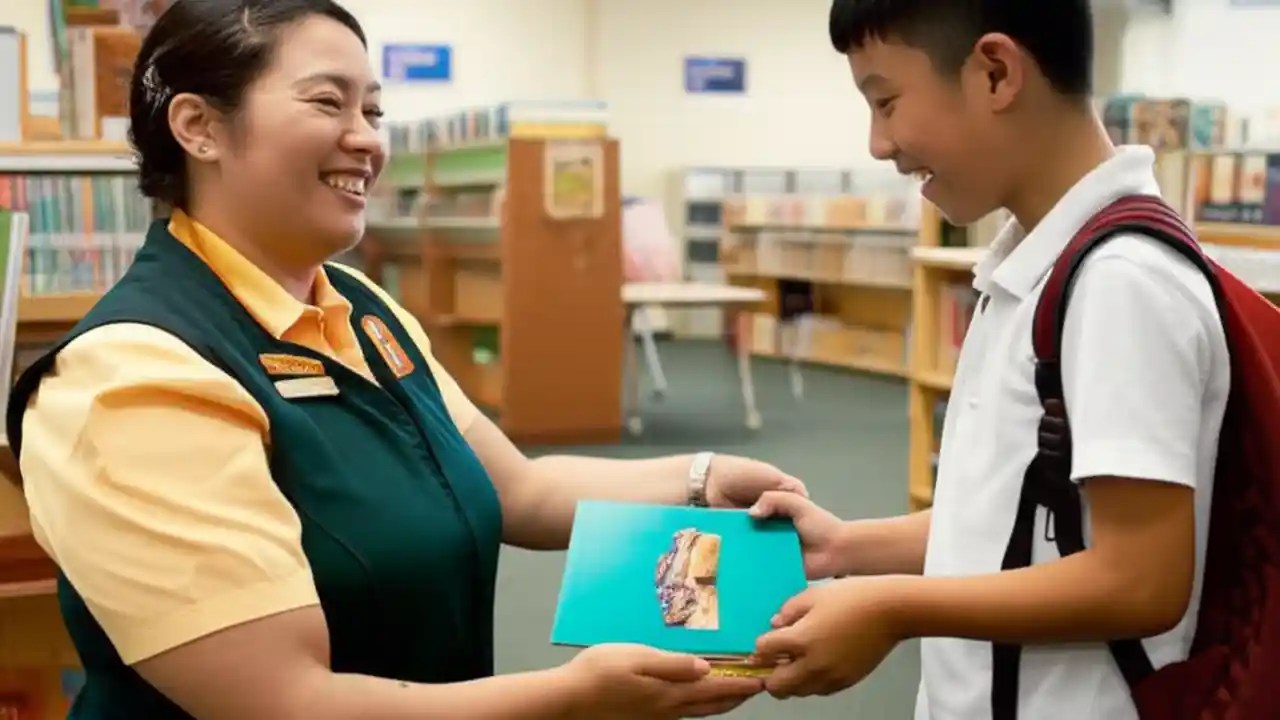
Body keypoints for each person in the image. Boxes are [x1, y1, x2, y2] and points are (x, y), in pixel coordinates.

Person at [4, 1, 808, 718]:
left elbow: (515, 489)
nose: (367, 139)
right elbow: (282, 701)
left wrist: (701, 478)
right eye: (328, 101)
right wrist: (573, 699)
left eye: (375, 109)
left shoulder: (358, 305)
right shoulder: (133, 379)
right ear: (198, 126)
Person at [746, 1, 1230, 719]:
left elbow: (1141, 581)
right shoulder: (1039, 269)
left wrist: (895, 609)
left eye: (886, 101)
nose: (878, 143)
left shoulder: (1120, 283)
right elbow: (1013, 522)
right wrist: (848, 546)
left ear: (997, 73)